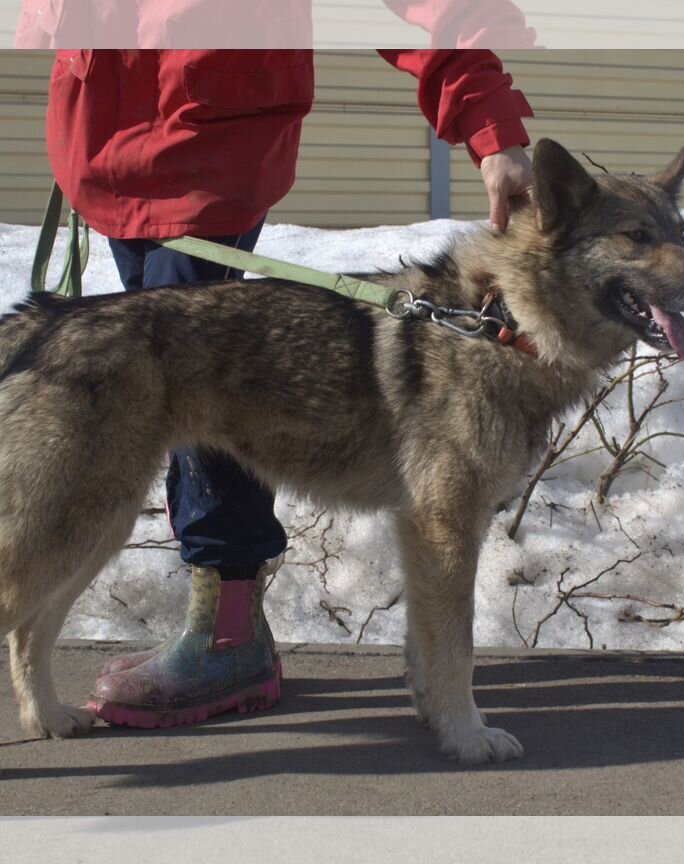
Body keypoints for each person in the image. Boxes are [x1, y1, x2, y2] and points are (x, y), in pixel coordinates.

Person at [41, 48, 535, 728]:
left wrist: (493, 128)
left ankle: (230, 632)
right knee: (174, 395)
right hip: (105, 148)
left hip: (204, 143)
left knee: (206, 380)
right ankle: (228, 630)